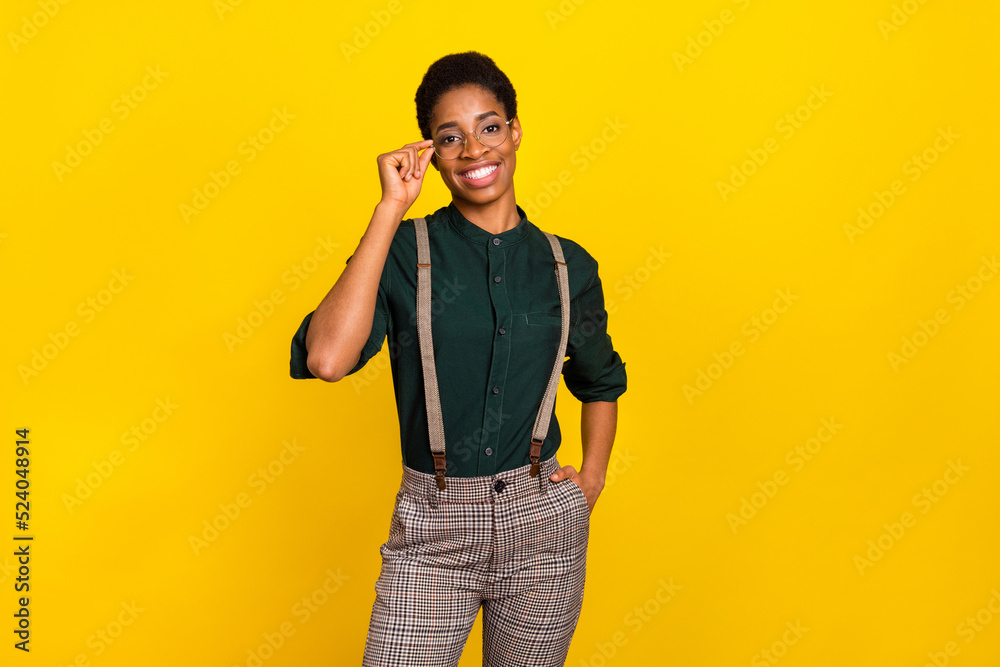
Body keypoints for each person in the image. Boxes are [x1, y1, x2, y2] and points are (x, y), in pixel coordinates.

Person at [288, 51, 627, 667]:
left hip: (543, 525)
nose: (474, 150)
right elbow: (328, 359)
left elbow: (599, 380)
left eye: (489, 127)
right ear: (432, 153)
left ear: (515, 131)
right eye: (451, 137)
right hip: (433, 526)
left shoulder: (566, 265)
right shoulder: (402, 251)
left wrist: (592, 481)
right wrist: (389, 209)